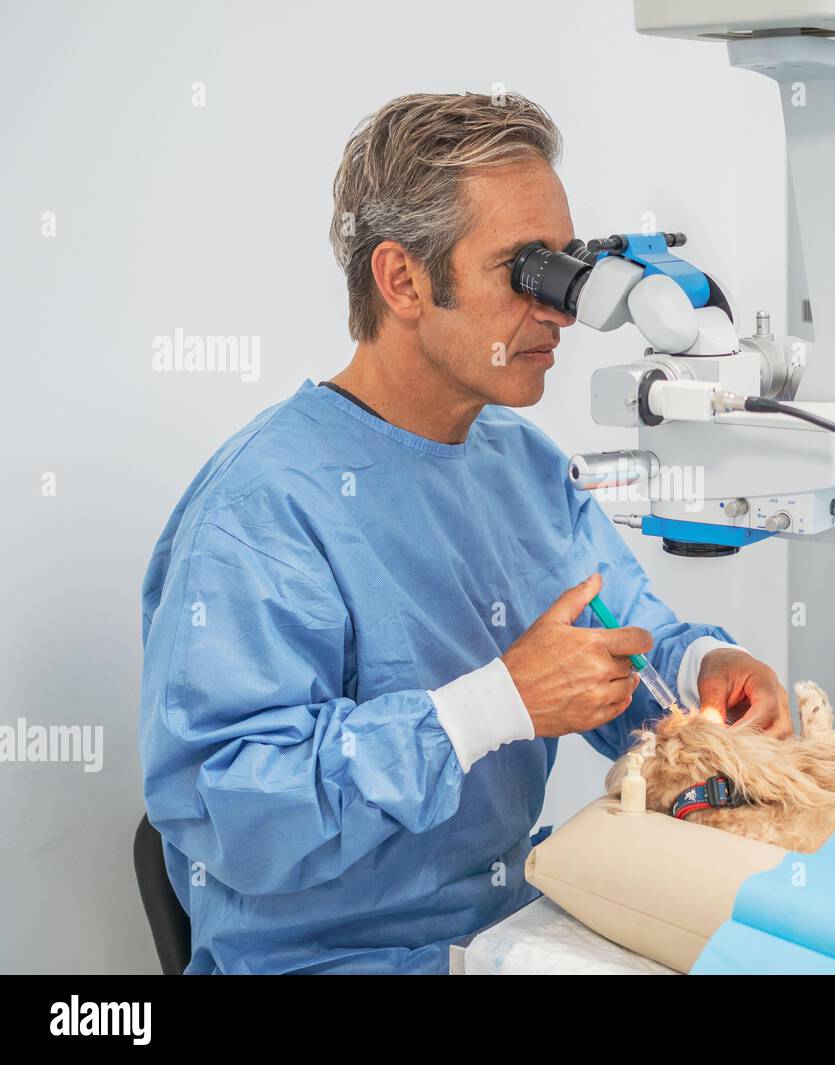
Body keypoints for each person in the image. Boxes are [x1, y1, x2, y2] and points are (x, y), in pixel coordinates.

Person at [139, 92, 790, 974]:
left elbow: (623, 646)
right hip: (333, 958)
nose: (560, 310)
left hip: (505, 918)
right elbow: (234, 813)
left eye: (565, 266)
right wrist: (490, 706)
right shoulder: (260, 509)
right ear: (403, 280)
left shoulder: (520, 462)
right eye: (525, 270)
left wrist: (704, 669)